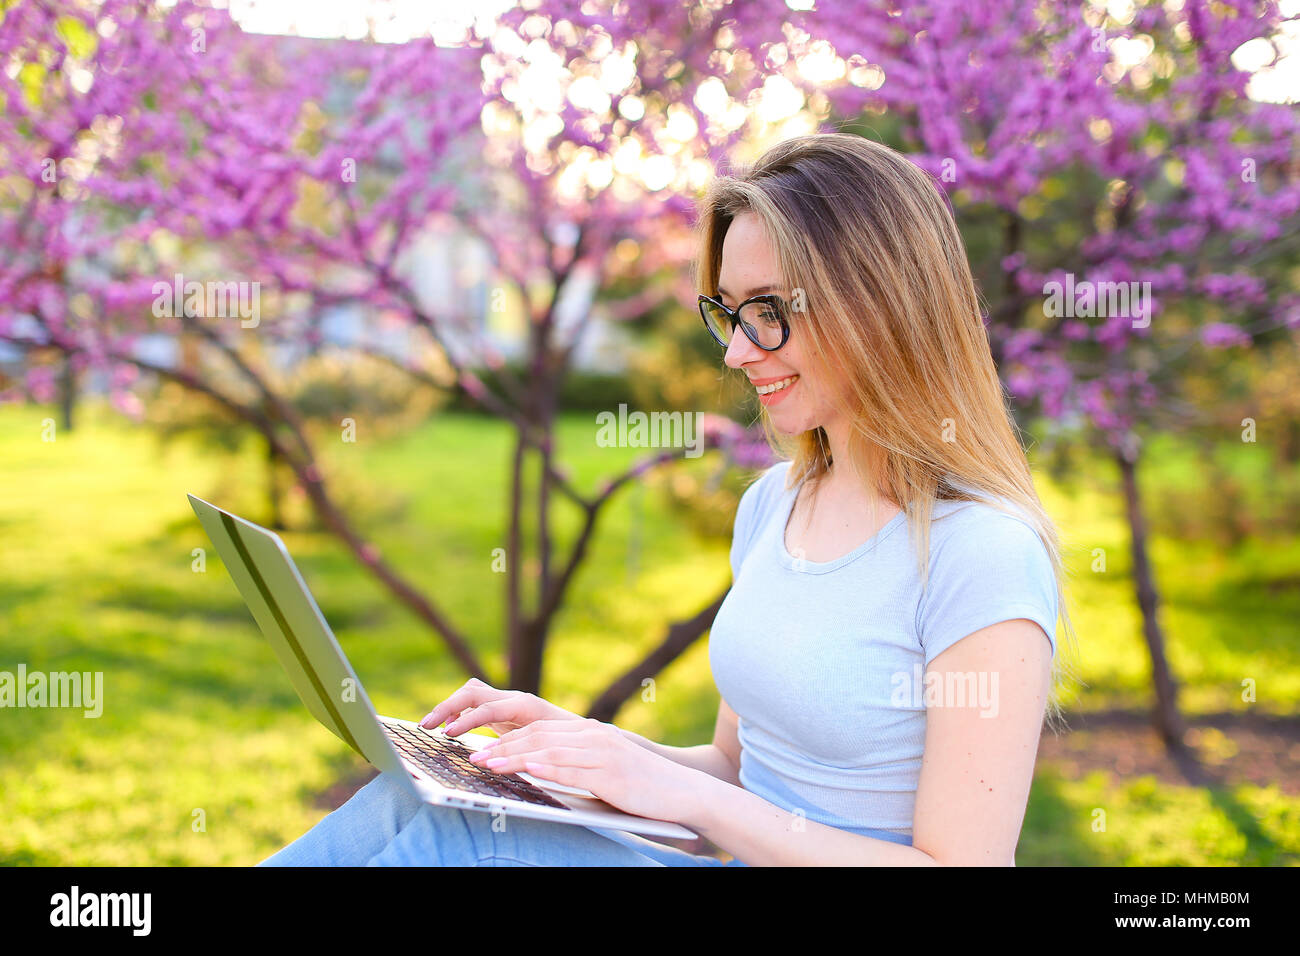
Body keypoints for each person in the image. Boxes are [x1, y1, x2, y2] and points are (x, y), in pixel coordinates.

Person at [261, 132, 1077, 867]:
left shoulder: (982, 552)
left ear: (880, 300)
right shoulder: (775, 506)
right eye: (727, 311)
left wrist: (689, 798)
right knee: (418, 798)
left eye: (769, 312)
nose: (735, 351)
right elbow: (731, 774)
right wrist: (575, 746)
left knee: (462, 843)